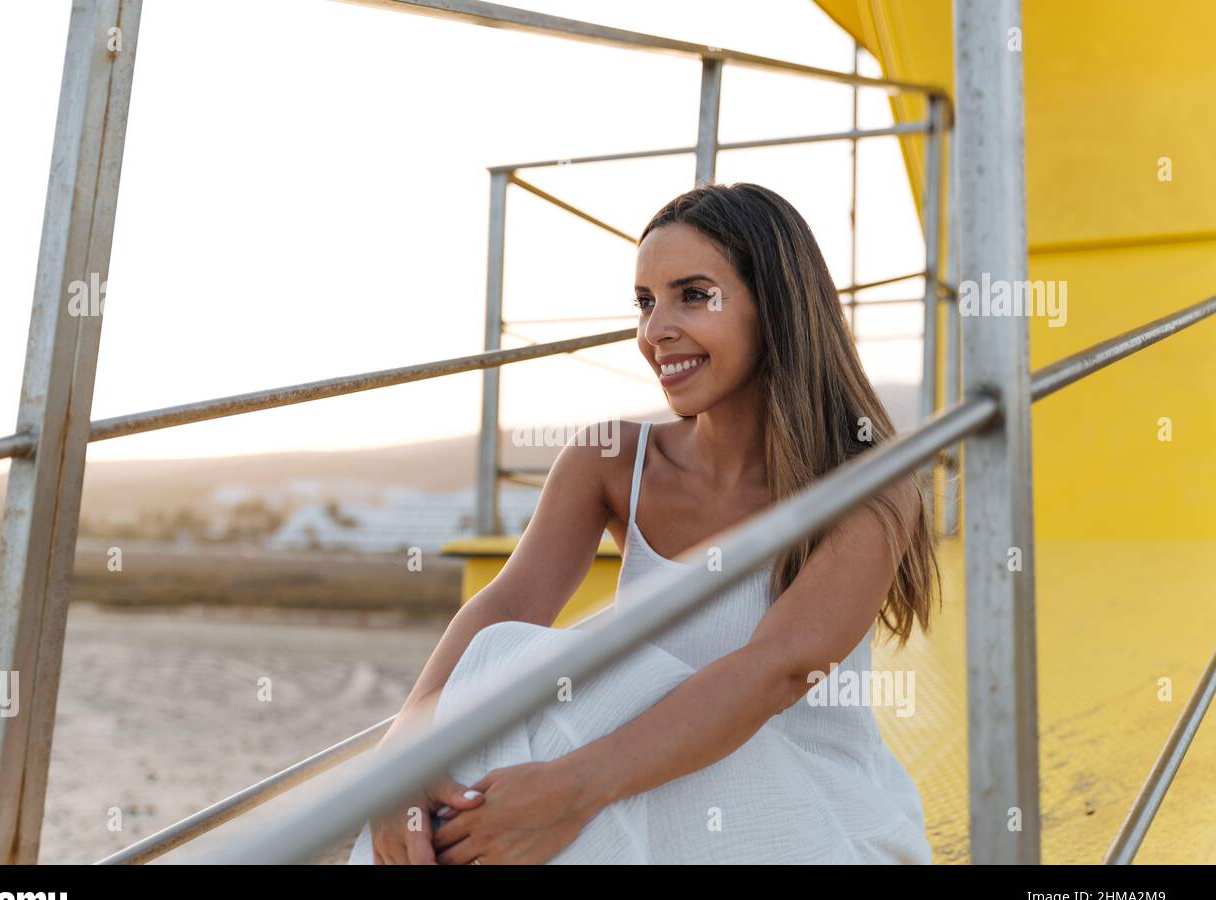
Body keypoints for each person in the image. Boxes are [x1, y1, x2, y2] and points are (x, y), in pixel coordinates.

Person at [347, 182, 940, 864]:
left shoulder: (871, 483)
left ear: (774, 308)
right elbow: (508, 603)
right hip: (645, 773)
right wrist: (395, 767)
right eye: (645, 301)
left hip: (809, 809)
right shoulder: (612, 458)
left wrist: (569, 791)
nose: (655, 331)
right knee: (501, 659)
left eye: (693, 294)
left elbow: (773, 671)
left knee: (543, 719)